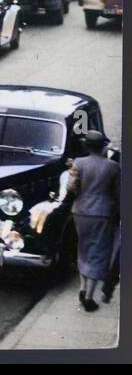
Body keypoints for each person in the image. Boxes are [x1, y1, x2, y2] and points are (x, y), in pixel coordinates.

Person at [63, 130, 121, 312]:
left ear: (86, 146)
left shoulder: (78, 163)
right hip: (103, 213)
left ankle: (82, 288)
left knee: (83, 248)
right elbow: (119, 194)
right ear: (103, 146)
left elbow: (71, 187)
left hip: (80, 211)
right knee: (98, 252)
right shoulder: (113, 167)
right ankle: (89, 297)